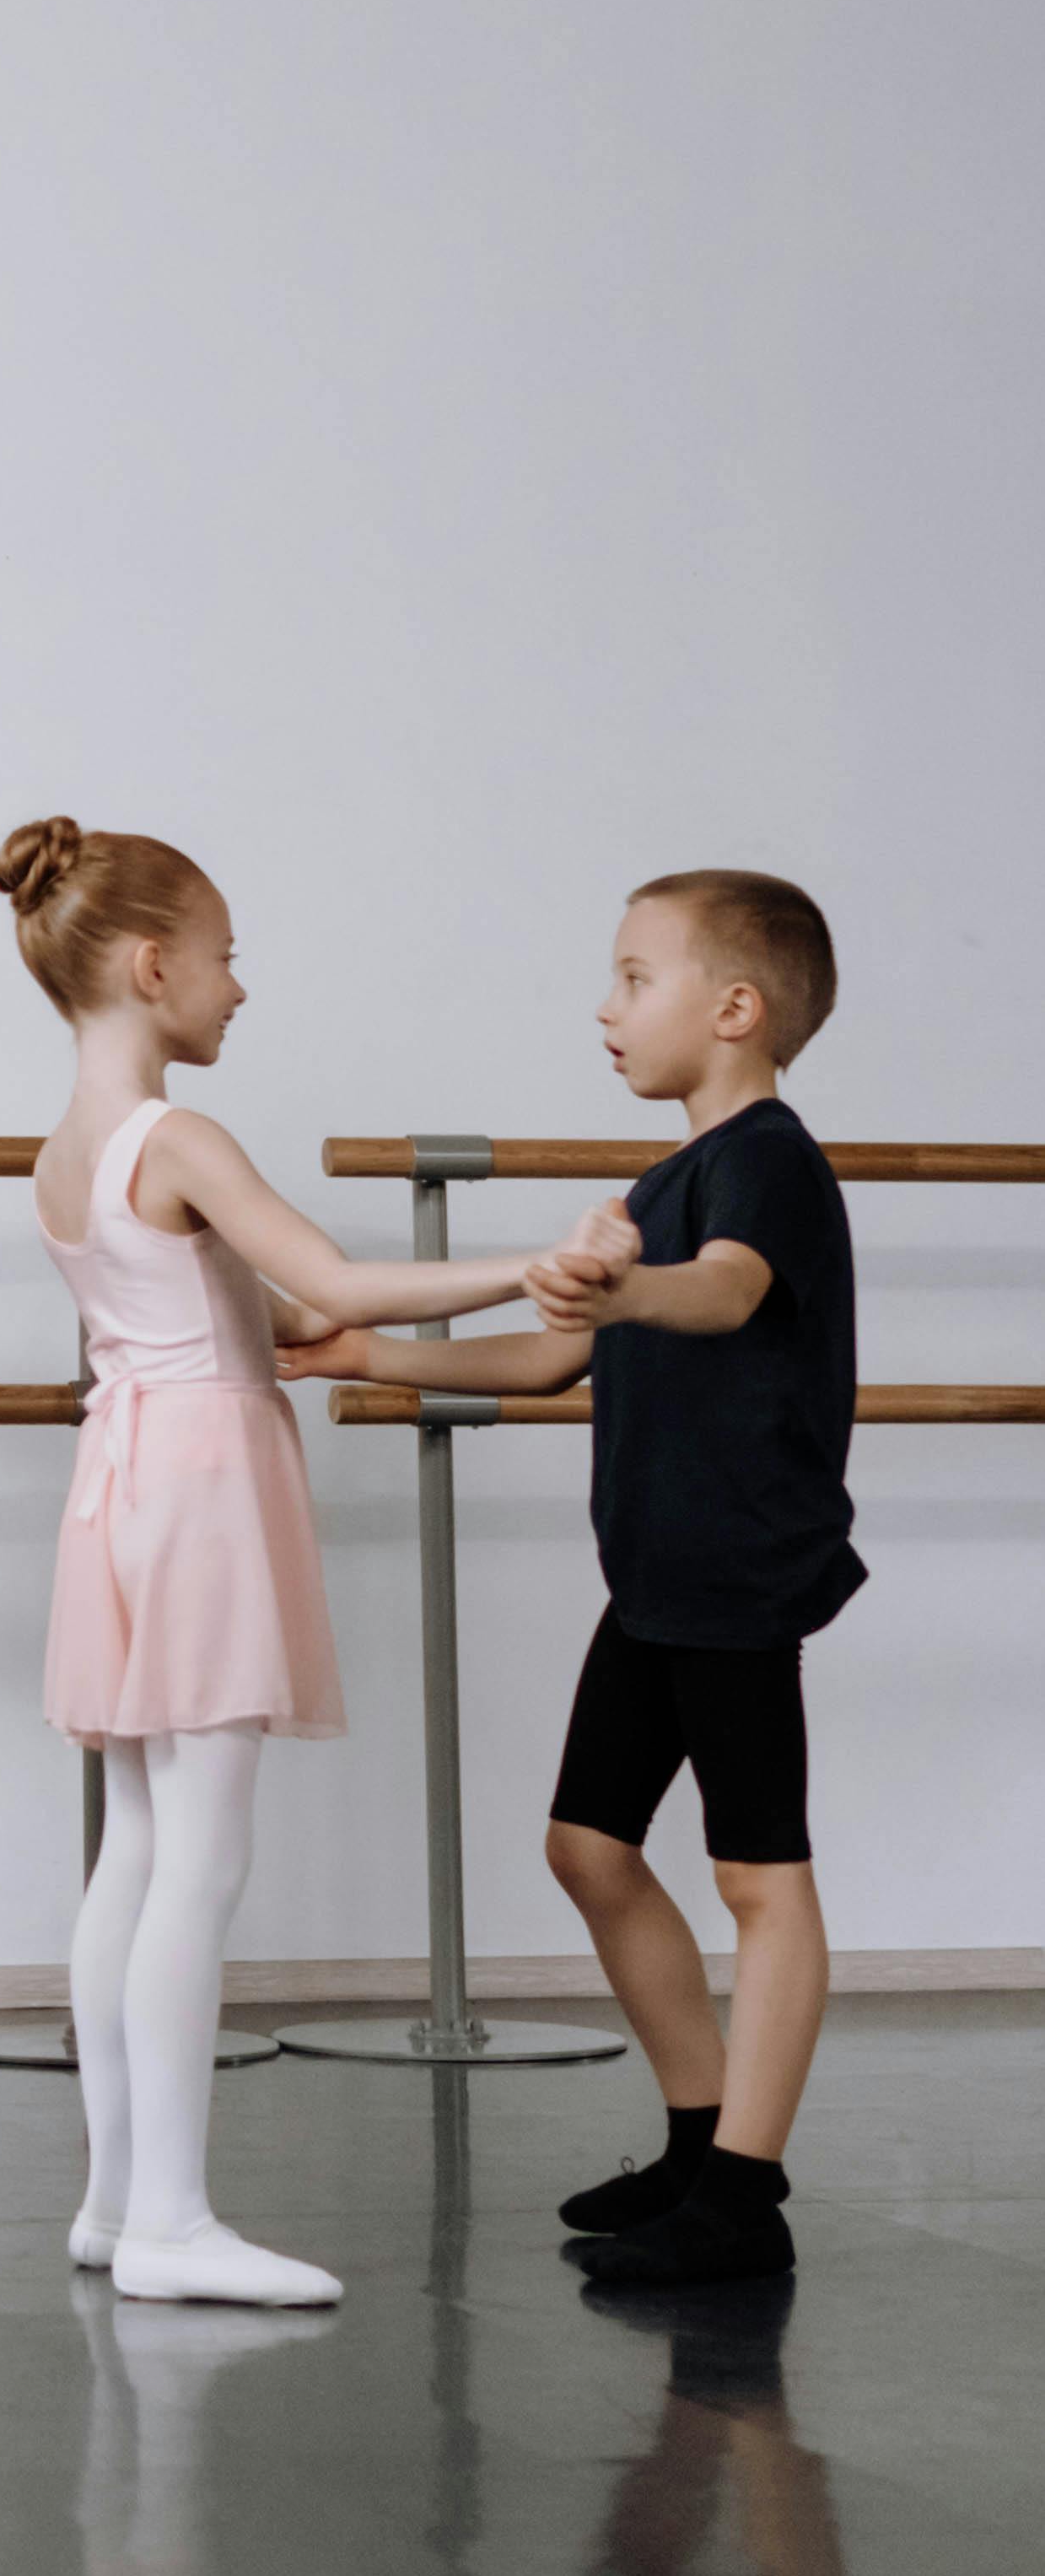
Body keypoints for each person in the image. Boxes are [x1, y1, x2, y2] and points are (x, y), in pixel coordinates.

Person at [0, 816, 591, 2309]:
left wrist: (297, 1336)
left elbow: (234, 1317)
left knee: (134, 1846)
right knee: (201, 1852)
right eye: (224, 959)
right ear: (150, 966)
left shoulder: (62, 1154)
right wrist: (526, 1268)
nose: (238, 989)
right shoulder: (180, 1138)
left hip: (123, 1480)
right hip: (197, 1481)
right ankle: (173, 2223)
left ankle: (113, 2196)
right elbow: (322, 1277)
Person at [285, 873, 856, 2293]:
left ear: (734, 1009)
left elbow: (722, 1292)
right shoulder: (658, 1184)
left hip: (735, 1569)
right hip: (658, 1573)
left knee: (757, 1876)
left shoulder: (765, 1160)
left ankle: (745, 2188)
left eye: (630, 978)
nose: (603, 1008)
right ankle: (694, 2133)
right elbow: (544, 1361)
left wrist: (617, 1289)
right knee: (587, 1850)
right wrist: (368, 1358)